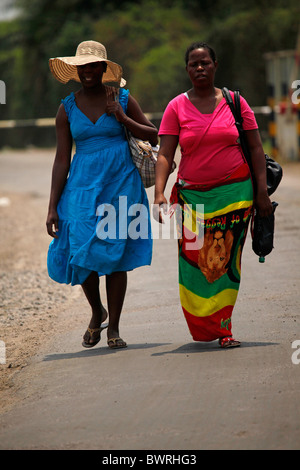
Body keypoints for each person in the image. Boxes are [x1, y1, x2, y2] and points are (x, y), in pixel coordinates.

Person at [154, 41, 273, 348]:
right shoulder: (176, 107)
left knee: (225, 261)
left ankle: (224, 328)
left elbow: (257, 148)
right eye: (194, 64)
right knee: (196, 263)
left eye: (205, 62)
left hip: (236, 194)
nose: (200, 68)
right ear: (187, 70)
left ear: (215, 65)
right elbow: (165, 154)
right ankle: (202, 325)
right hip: (192, 199)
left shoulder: (235, 102)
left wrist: (261, 193)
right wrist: (159, 193)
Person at [46, 40, 157, 349]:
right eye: (83, 66)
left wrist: (121, 116)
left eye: (94, 66)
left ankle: (114, 329)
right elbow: (61, 159)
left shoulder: (122, 97)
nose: (88, 72)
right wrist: (52, 206)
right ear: (76, 70)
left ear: (104, 69)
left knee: (116, 253)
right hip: (81, 189)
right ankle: (97, 311)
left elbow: (153, 134)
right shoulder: (66, 108)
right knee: (80, 251)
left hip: (120, 184)